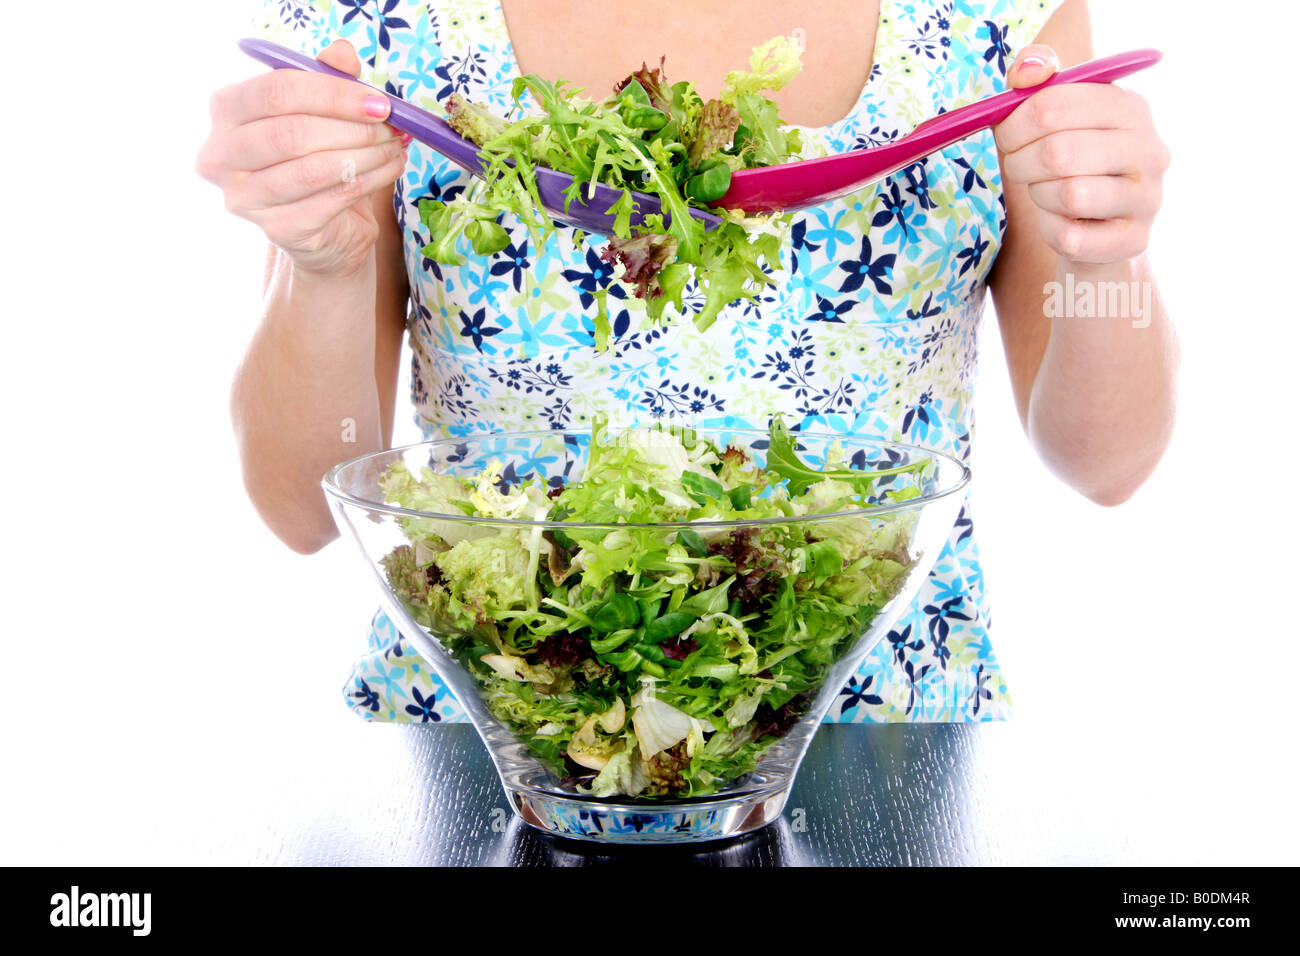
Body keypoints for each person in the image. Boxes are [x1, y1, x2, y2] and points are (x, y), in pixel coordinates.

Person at [198, 0, 1176, 723]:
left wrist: (1110, 248)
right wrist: (323, 269)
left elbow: (1109, 458)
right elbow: (299, 503)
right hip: (490, 747)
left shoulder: (1000, 20)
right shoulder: (386, 26)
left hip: (885, 745)